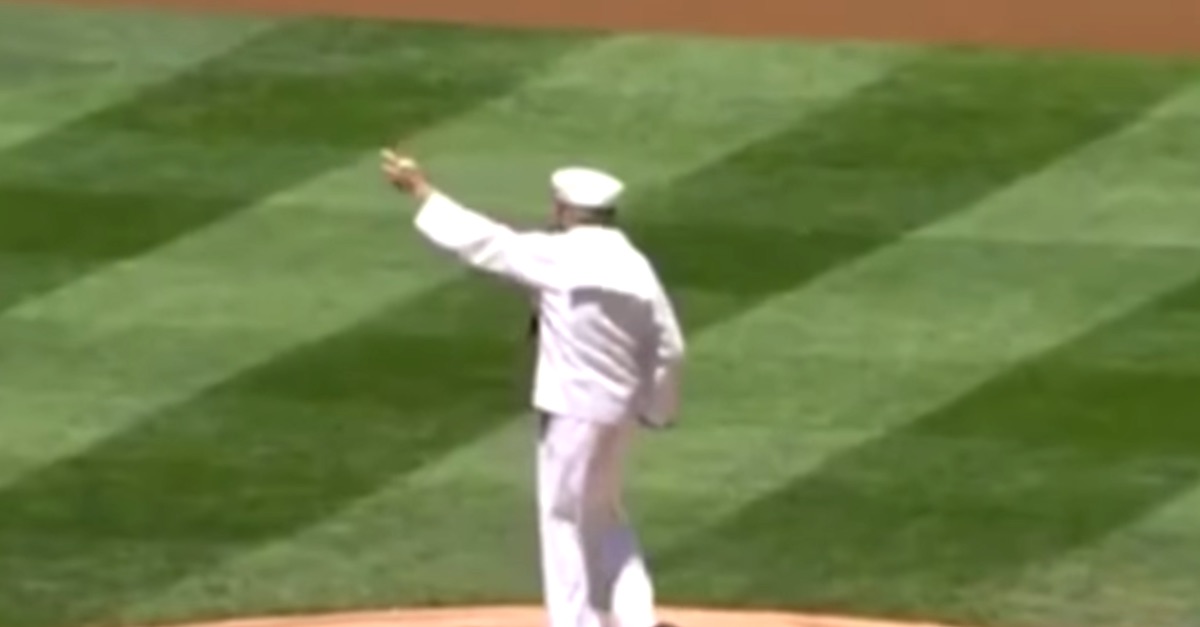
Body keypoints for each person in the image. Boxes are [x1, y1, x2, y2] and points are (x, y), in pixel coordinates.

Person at [381, 147, 686, 627]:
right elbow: (669, 346)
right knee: (604, 512)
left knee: (562, 518)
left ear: (566, 211)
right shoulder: (636, 266)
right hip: (621, 410)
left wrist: (422, 190)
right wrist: (658, 406)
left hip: (571, 409)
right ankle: (637, 617)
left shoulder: (559, 254)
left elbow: (483, 242)